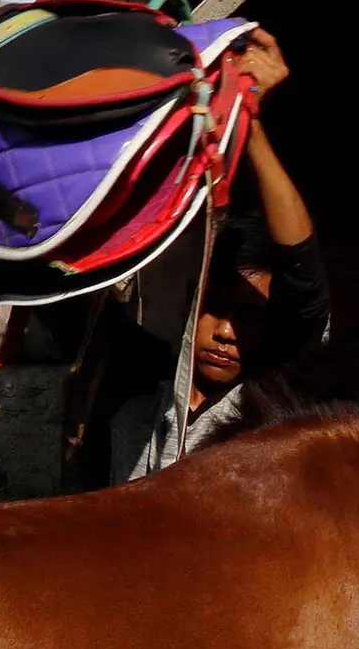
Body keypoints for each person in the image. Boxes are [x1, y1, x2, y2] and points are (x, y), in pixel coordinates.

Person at [102, 28, 329, 482]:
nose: (226, 333)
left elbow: (301, 267)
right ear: (192, 302)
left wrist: (250, 119)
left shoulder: (271, 406)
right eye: (216, 309)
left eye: (249, 316)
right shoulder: (136, 396)